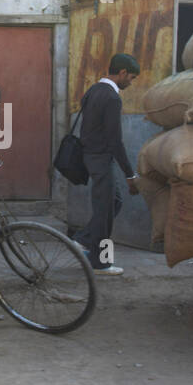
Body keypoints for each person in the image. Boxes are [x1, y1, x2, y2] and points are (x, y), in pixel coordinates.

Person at [76, 53, 140, 275]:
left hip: (91, 156)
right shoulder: (112, 98)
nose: (130, 83)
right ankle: (101, 263)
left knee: (114, 202)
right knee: (105, 213)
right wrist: (130, 175)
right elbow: (115, 141)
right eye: (131, 78)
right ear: (121, 73)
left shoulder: (93, 90)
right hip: (101, 159)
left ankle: (83, 239)